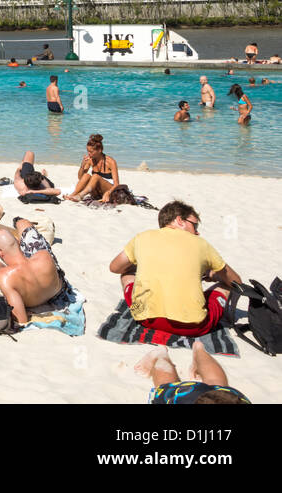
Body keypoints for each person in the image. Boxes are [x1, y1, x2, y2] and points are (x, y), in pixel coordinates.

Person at [108, 200, 240, 337]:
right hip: (192, 327)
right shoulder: (201, 244)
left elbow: (115, 267)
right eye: (194, 225)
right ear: (179, 220)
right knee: (227, 285)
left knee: (126, 274)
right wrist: (214, 275)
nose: (197, 232)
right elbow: (236, 281)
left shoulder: (142, 237)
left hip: (145, 319)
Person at [0, 215, 67, 324]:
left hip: (32, 295)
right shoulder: (44, 254)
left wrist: (1, 268)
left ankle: (18, 222)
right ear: (19, 242)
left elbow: (21, 319)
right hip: (59, 293)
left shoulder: (6, 277)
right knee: (22, 224)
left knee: (20, 223)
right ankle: (18, 221)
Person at [135, 343, 250, 404]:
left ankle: (199, 350)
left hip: (231, 397)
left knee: (217, 385)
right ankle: (160, 356)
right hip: (231, 400)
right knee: (165, 387)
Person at [66, 133, 123, 202]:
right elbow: (80, 178)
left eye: (91, 152)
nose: (89, 154)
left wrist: (108, 193)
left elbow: (116, 184)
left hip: (108, 191)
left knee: (95, 176)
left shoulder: (111, 162)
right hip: (96, 192)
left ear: (99, 150)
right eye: (88, 151)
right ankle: (73, 194)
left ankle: (80, 195)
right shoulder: (90, 160)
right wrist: (82, 165)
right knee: (86, 175)